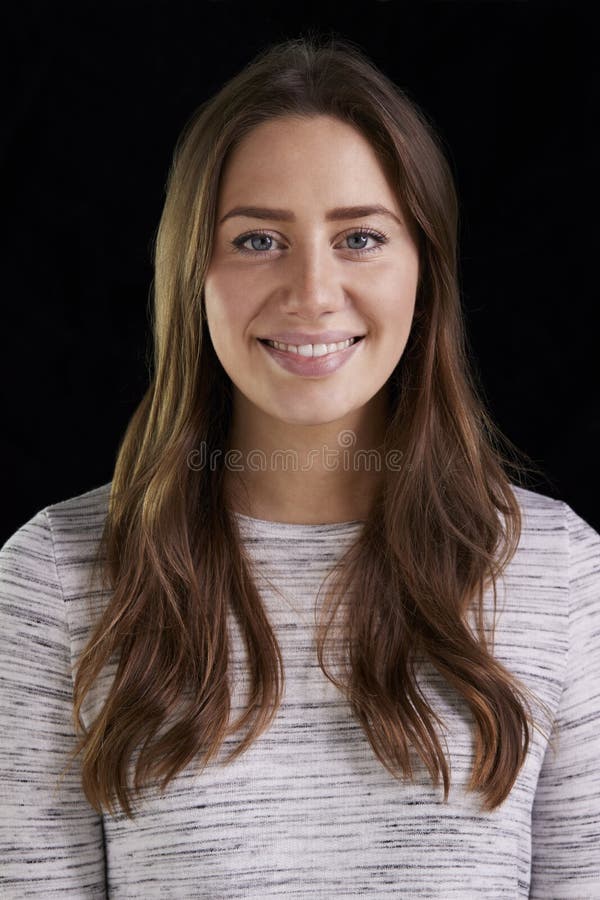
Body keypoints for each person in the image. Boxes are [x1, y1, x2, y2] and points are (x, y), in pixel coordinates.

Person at [1, 33, 599, 899]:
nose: (313, 292)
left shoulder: (562, 574)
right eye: (256, 241)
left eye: (359, 237)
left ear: (424, 271)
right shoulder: (54, 577)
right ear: (190, 272)